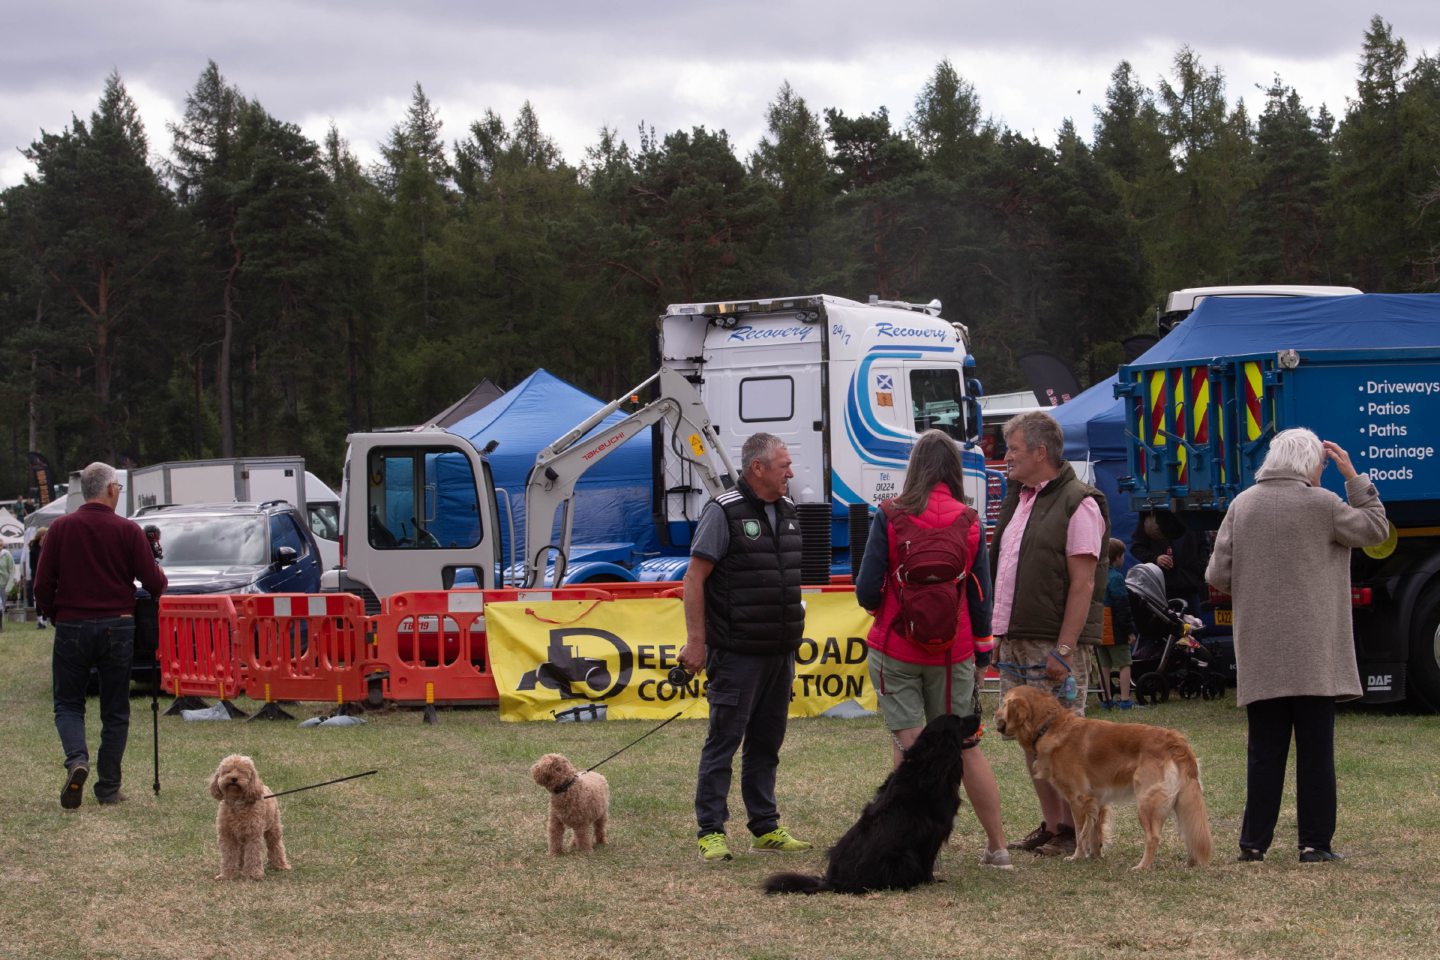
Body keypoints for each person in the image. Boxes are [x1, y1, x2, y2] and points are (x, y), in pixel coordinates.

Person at [1205, 429, 1386, 864]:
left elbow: (1217, 574)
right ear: (1309, 463)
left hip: (1261, 647)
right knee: (1315, 751)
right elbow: (1376, 530)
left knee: (1264, 751)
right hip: (1314, 651)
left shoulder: (1242, 504)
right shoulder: (1323, 505)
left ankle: (1253, 843)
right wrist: (1353, 476)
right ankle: (1314, 844)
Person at [854, 430, 1012, 869]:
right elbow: (981, 598)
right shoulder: (970, 520)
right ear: (955, 470)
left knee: (908, 749)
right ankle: (998, 847)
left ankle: (913, 847)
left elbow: (867, 589)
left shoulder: (889, 515)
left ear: (915, 466)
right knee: (966, 746)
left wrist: (887, 608)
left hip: (895, 648)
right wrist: (981, 656)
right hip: (953, 652)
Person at [678, 432, 811, 863]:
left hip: (779, 651)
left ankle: (765, 827)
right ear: (758, 468)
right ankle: (711, 830)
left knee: (766, 743)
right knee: (724, 741)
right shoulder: (724, 511)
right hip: (735, 653)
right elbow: (694, 578)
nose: (790, 472)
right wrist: (696, 642)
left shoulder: (789, 510)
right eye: (783, 465)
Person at [991, 411, 1110, 858]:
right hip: (1017, 637)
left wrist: (1064, 648)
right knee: (1029, 738)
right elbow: (1006, 572)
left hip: (1054, 643)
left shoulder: (1079, 502)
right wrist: (999, 632)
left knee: (1063, 741)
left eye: (1014, 450)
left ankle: (1078, 833)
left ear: (1041, 452)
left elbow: (1083, 583)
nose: (1007, 459)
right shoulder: (1019, 499)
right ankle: (1054, 825)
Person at [34, 463, 167, 809]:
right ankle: (108, 787)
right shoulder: (128, 530)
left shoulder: (61, 528)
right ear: (110, 489)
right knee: (115, 709)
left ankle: (77, 760)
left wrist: (54, 612)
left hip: (72, 625)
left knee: (68, 703)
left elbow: (41, 584)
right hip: (118, 625)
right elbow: (154, 584)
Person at [1131, 508, 1207, 617]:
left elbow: (1204, 547)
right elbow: (1137, 547)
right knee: (1167, 629)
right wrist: (1155, 559)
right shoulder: (1154, 518)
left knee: (1194, 628)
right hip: (1164, 590)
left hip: (1190, 587)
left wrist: (1199, 570)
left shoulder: (1193, 517)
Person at [1098, 537, 1139, 709]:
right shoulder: (1116, 578)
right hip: (1114, 628)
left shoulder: (1097, 575)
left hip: (1098, 628)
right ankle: (1124, 700)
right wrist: (1129, 630)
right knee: (1124, 663)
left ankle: (1106, 699)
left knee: (1104, 665)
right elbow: (1122, 607)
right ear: (1117, 557)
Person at [29, 526, 48, 628]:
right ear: (42, 536)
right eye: (46, 534)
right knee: (37, 598)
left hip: (46, 576)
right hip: (36, 575)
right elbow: (32, 566)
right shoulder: (33, 549)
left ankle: (45, 619)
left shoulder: (48, 546)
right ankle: (40, 620)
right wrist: (37, 575)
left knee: (45, 597)